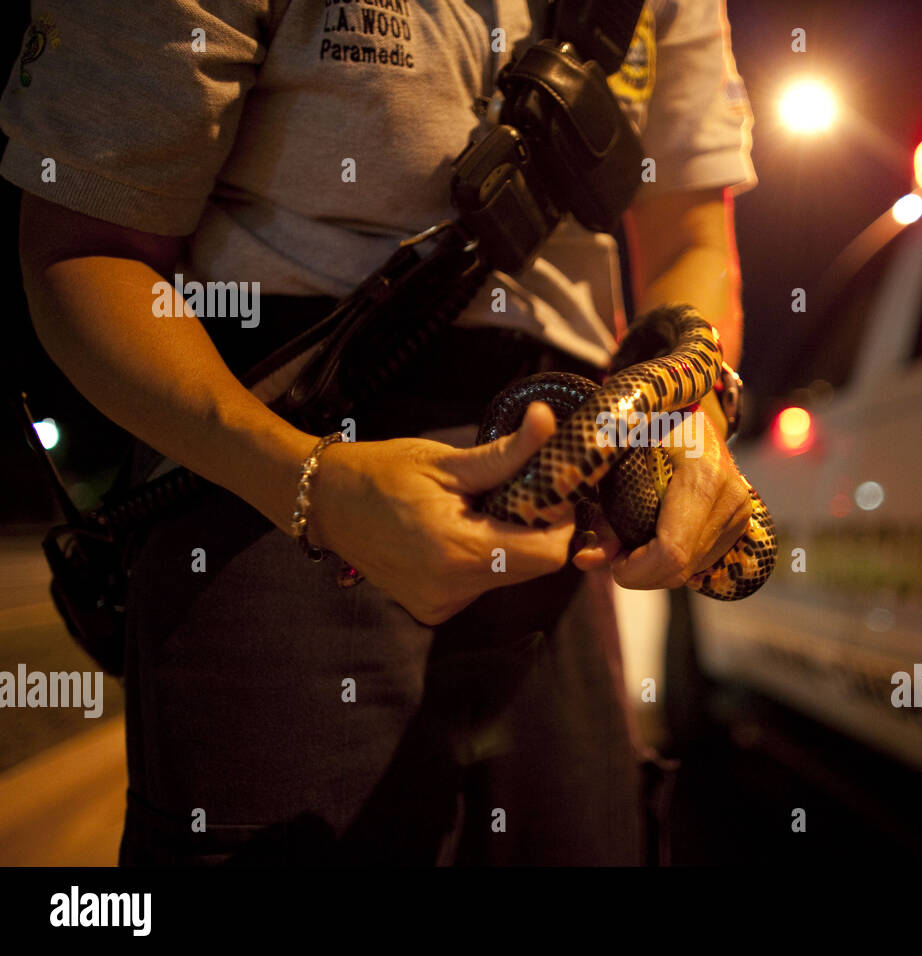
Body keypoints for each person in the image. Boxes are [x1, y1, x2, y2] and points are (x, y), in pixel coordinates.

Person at [2, 0, 755, 865]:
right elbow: (82, 245)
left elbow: (692, 240)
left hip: (568, 502)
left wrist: (690, 413)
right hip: (272, 481)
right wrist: (305, 484)